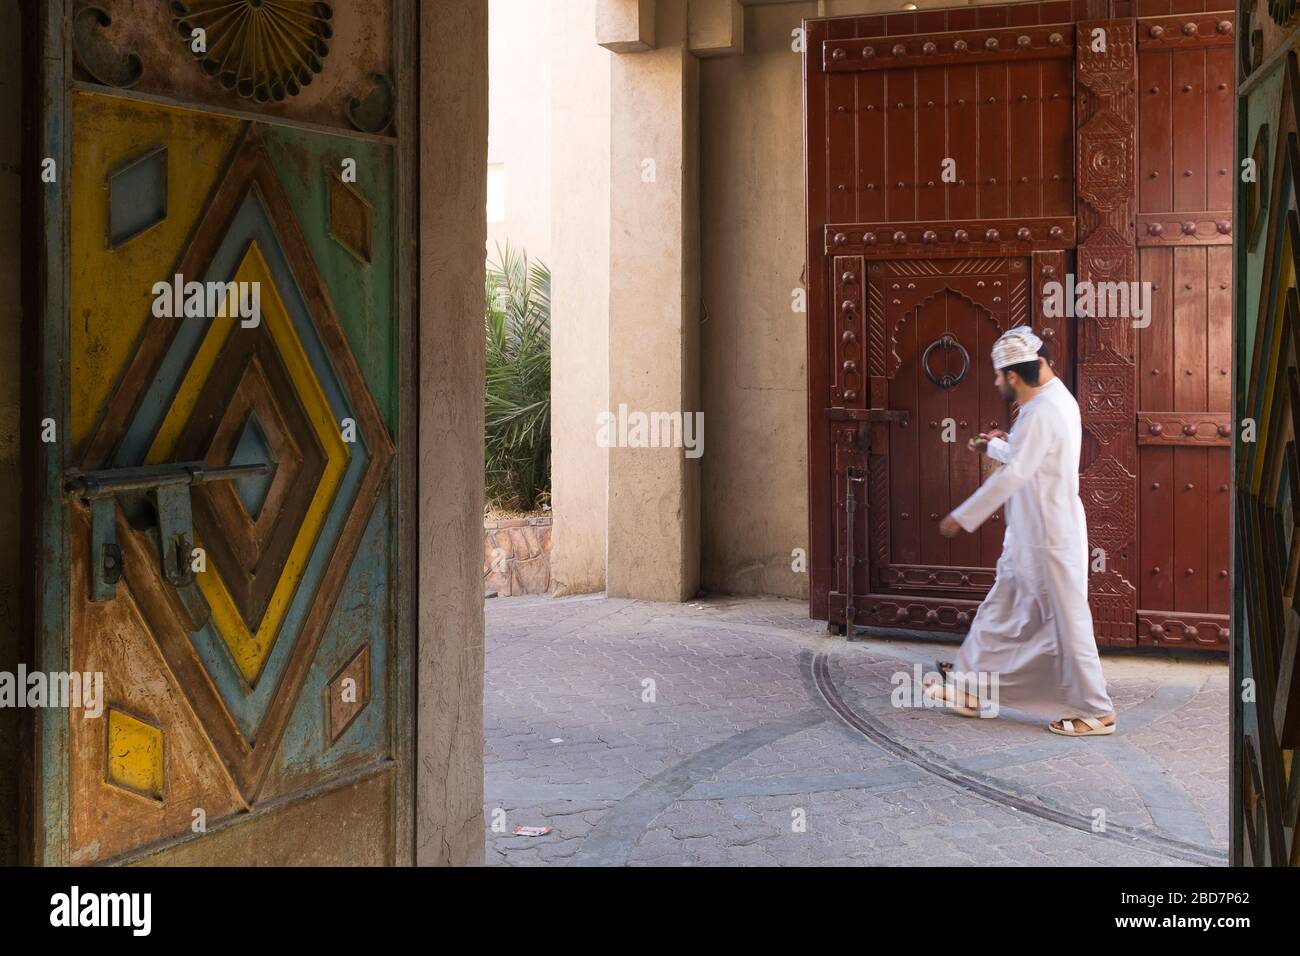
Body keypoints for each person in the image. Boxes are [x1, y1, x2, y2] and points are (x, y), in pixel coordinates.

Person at [925, 327, 1116, 737]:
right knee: (1001, 609)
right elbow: (1028, 457)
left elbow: (1015, 474)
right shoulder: (1048, 400)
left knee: (1068, 620)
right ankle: (969, 688)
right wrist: (991, 447)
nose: (997, 384)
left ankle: (1098, 710)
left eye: (999, 376)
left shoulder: (1045, 410)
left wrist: (963, 515)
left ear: (1013, 376)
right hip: (1033, 533)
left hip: (1050, 536)